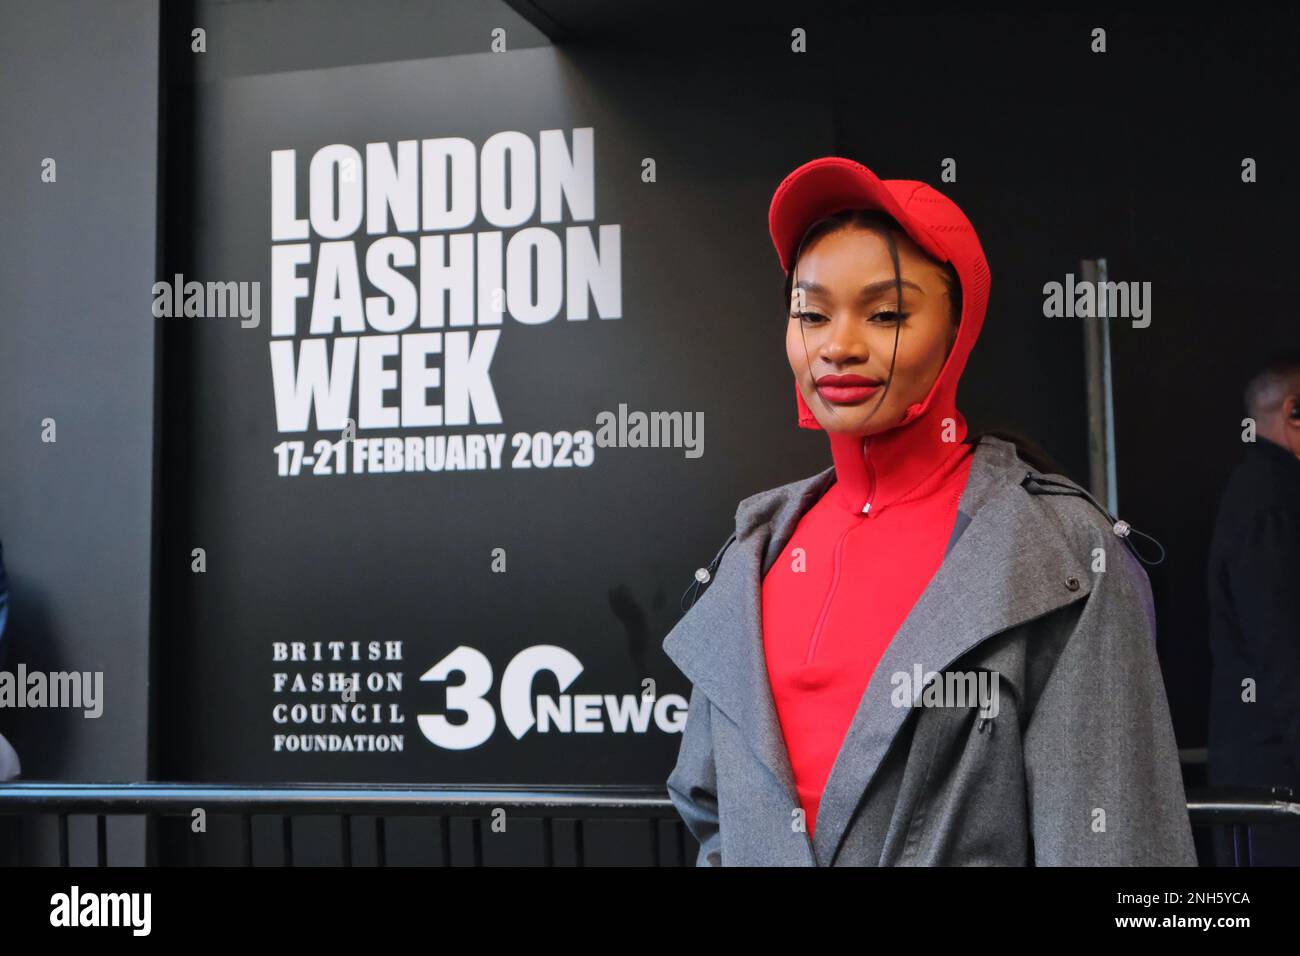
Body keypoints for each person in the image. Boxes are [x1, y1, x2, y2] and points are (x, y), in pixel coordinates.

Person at [663, 157, 1196, 866]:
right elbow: (709, 807)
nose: (840, 346)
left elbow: (1116, 847)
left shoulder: (1060, 553)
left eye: (886, 314)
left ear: (957, 330)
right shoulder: (752, 552)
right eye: (812, 313)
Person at [1206, 354, 1300, 865]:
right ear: (1293, 412)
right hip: (1277, 790)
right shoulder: (1273, 502)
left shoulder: (1263, 493)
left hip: (1266, 779)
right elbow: (1284, 653)